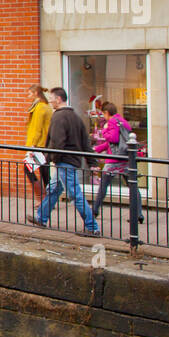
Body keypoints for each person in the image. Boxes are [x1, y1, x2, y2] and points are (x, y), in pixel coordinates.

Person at [27, 87, 100, 237]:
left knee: (75, 194)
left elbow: (57, 142)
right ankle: (41, 218)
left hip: (64, 162)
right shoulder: (76, 117)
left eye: (52, 98)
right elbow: (85, 143)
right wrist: (92, 162)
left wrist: (50, 159)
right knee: (53, 190)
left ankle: (93, 227)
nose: (51, 101)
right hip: (70, 160)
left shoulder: (59, 117)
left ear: (59, 99)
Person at [92, 101, 144, 224]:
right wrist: (98, 149)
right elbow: (117, 142)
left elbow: (113, 138)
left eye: (103, 114)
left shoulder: (111, 122)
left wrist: (104, 131)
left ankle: (94, 210)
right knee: (133, 186)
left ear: (106, 112)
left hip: (114, 160)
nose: (103, 117)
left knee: (103, 185)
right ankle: (139, 214)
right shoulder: (123, 121)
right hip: (126, 159)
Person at [24, 85, 51, 199]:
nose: (28, 96)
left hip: (39, 145)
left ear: (36, 93)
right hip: (45, 144)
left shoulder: (39, 107)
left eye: (30, 93)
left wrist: (32, 147)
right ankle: (48, 198)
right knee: (45, 173)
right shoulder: (46, 106)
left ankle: (42, 197)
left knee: (28, 168)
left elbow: (37, 128)